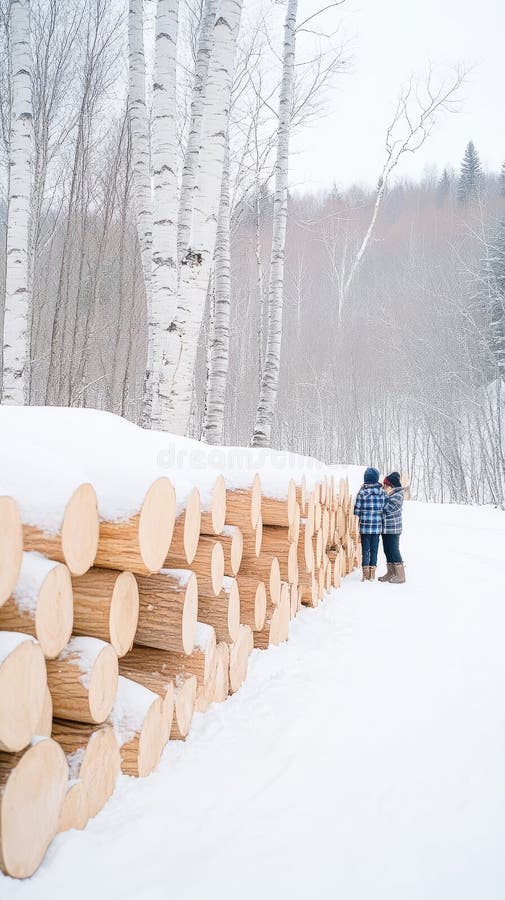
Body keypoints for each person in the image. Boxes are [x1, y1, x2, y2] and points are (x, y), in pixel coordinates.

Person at [353, 467, 386, 581]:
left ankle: (365, 574)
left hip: (365, 528)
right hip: (377, 528)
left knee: (365, 550)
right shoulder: (382, 492)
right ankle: (372, 574)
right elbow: (384, 508)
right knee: (374, 549)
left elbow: (356, 510)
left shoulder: (362, 492)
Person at [378, 472, 406, 584]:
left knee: (394, 550)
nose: (384, 487)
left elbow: (386, 508)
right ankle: (391, 572)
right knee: (387, 550)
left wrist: (381, 497)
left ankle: (400, 575)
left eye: (386, 485)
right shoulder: (391, 494)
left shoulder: (398, 495)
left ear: (392, 485)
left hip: (393, 529)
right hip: (386, 528)